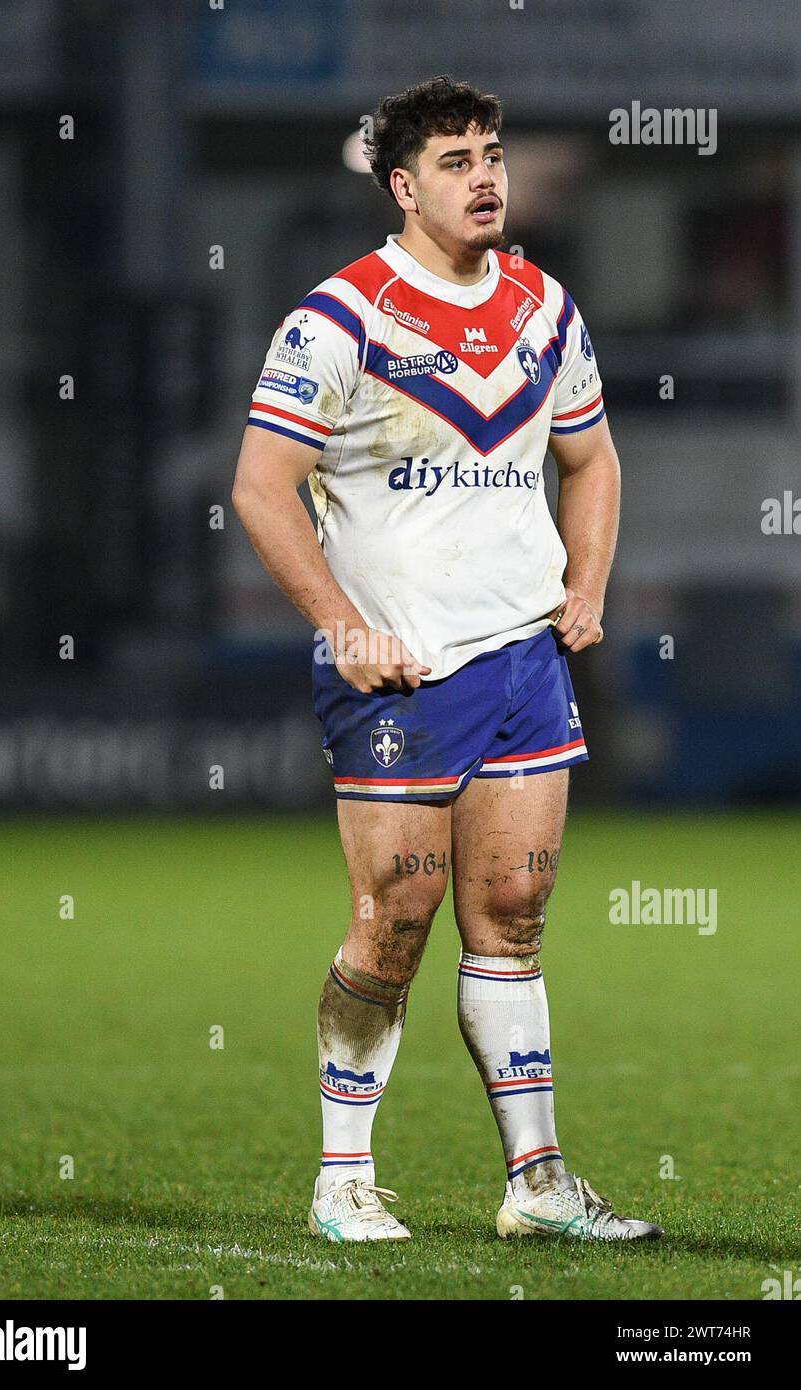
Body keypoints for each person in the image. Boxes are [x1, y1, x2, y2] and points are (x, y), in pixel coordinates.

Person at [232, 75, 662, 1244]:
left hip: (522, 658)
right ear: (401, 186)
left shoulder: (541, 307)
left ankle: (534, 1182)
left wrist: (585, 586)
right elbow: (259, 488)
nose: (484, 175)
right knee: (395, 918)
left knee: (513, 914)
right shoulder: (340, 317)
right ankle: (342, 1176)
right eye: (457, 159)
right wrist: (339, 622)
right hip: (402, 676)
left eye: (492, 153)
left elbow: (593, 459)